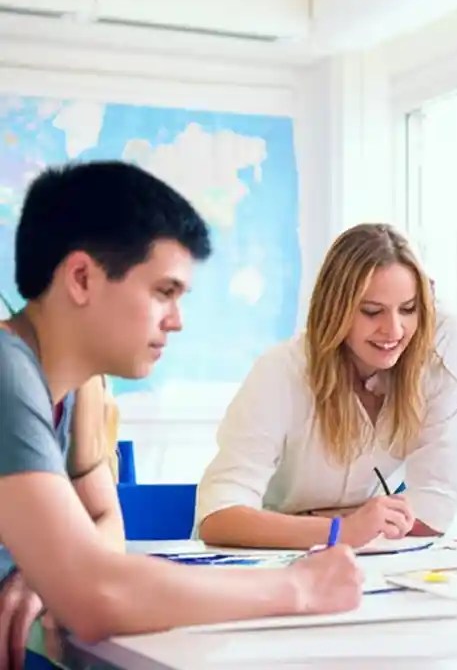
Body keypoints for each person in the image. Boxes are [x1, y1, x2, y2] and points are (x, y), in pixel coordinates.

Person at [0, 161, 361, 660]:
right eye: (163, 292)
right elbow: (94, 596)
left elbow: (103, 529)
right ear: (81, 278)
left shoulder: (71, 387)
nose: (176, 321)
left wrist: (47, 573)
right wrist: (297, 588)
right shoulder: (7, 370)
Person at [197, 223, 457, 549]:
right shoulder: (282, 371)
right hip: (264, 564)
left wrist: (341, 523)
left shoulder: (439, 348)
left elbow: (434, 509)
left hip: (367, 564)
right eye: (372, 312)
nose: (394, 330)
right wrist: (340, 530)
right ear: (336, 309)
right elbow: (218, 518)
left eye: (409, 309)